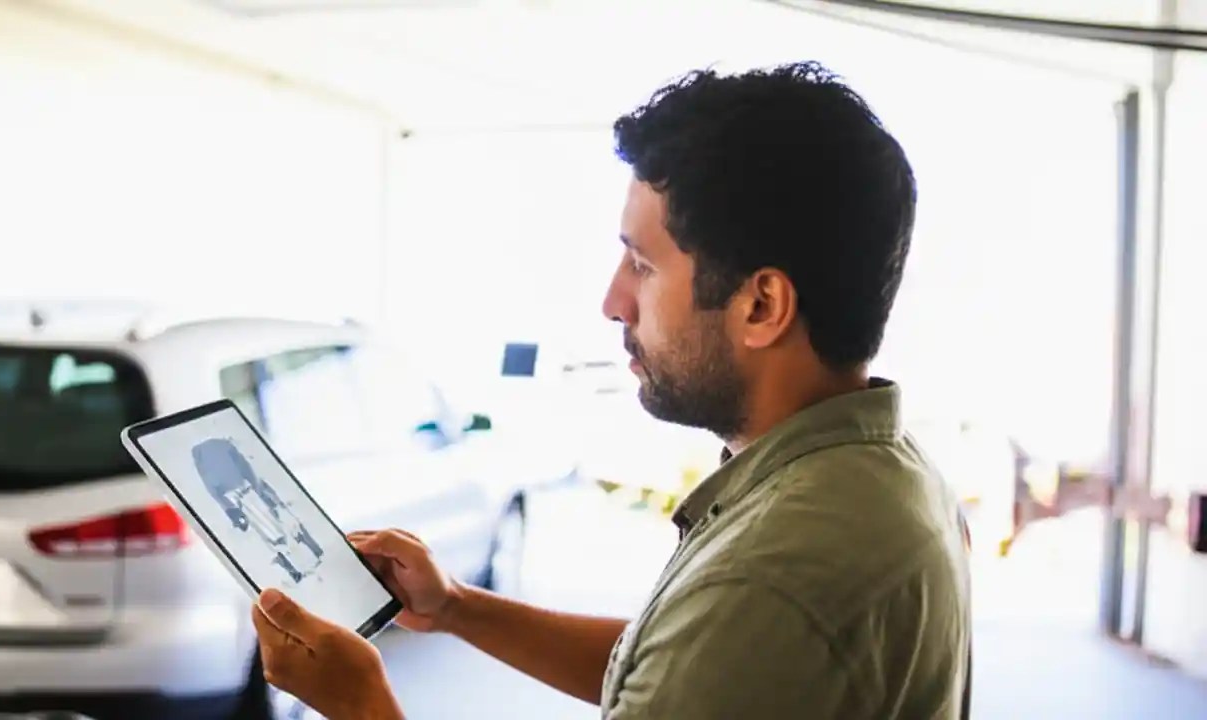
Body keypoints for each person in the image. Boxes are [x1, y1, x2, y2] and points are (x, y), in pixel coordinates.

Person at [250, 62, 972, 720]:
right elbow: (678, 668)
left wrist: (357, 704)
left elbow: (721, 640)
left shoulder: (772, 581)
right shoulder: (881, 471)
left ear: (761, 307)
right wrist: (457, 609)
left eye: (643, 266)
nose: (613, 302)